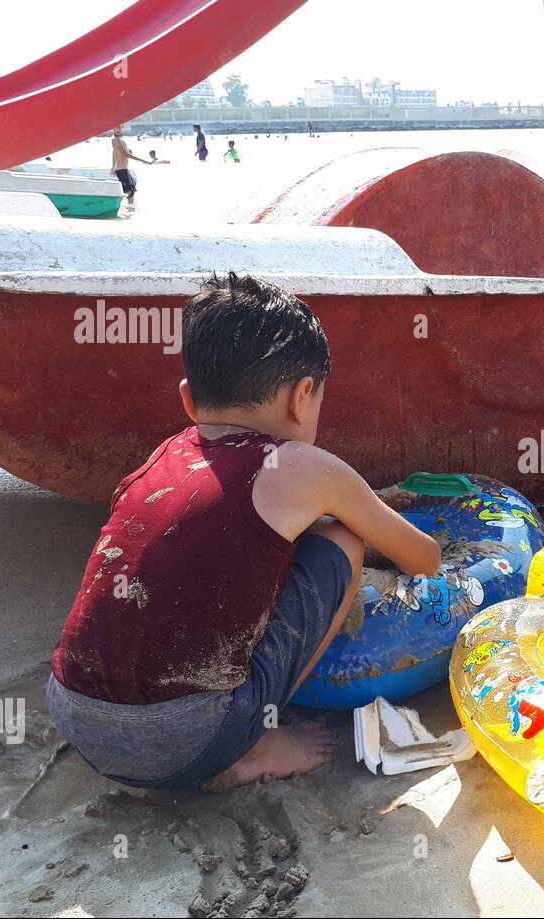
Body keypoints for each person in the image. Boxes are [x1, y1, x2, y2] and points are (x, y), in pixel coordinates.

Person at [47, 273, 442, 790]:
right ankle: (253, 747)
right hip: (190, 742)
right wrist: (356, 511)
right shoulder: (303, 464)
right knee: (344, 543)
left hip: (76, 716)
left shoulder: (164, 456)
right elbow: (425, 559)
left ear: (189, 400)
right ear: (303, 396)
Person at [110, 125, 152, 205]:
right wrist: (143, 161)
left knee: (132, 189)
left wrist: (113, 167)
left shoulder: (121, 139)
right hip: (121, 170)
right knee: (129, 192)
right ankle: (125, 208)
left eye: (119, 128)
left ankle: (130, 209)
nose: (117, 130)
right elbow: (126, 154)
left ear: (121, 128)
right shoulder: (115, 140)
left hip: (124, 169)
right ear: (113, 129)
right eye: (115, 128)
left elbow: (114, 153)